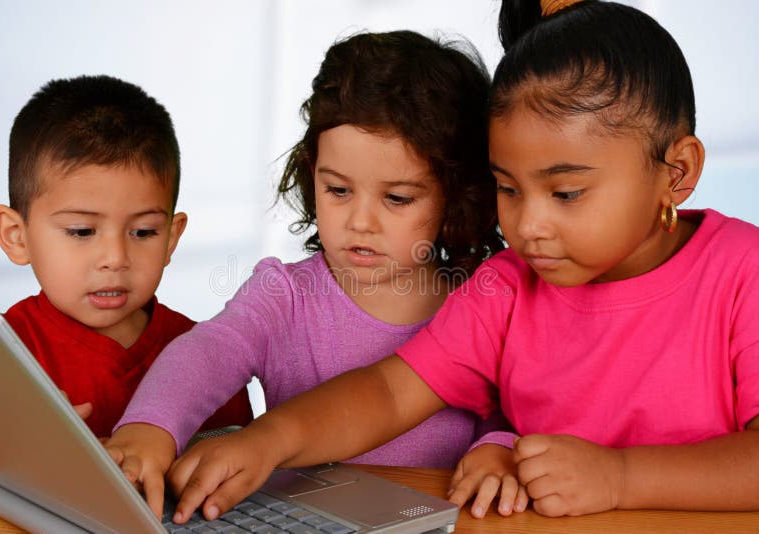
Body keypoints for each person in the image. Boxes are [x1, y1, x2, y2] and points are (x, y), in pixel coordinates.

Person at [123, 0, 759, 525]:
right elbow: (390, 390)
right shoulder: (504, 287)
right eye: (509, 189)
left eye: (566, 192)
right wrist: (268, 441)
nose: (527, 226)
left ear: (677, 172)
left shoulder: (743, 273)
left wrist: (617, 477)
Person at [105, 30, 507, 519]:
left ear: (457, 194)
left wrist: (499, 447)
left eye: (397, 198)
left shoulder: (481, 305)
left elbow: (509, 410)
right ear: (311, 171)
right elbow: (210, 349)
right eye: (338, 190)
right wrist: (151, 425)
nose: (360, 221)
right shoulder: (285, 294)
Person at [0, 75, 253, 438]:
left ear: (171, 240)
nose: (115, 258)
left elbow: (240, 473)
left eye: (143, 232)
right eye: (82, 231)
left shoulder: (207, 356)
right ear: (15, 236)